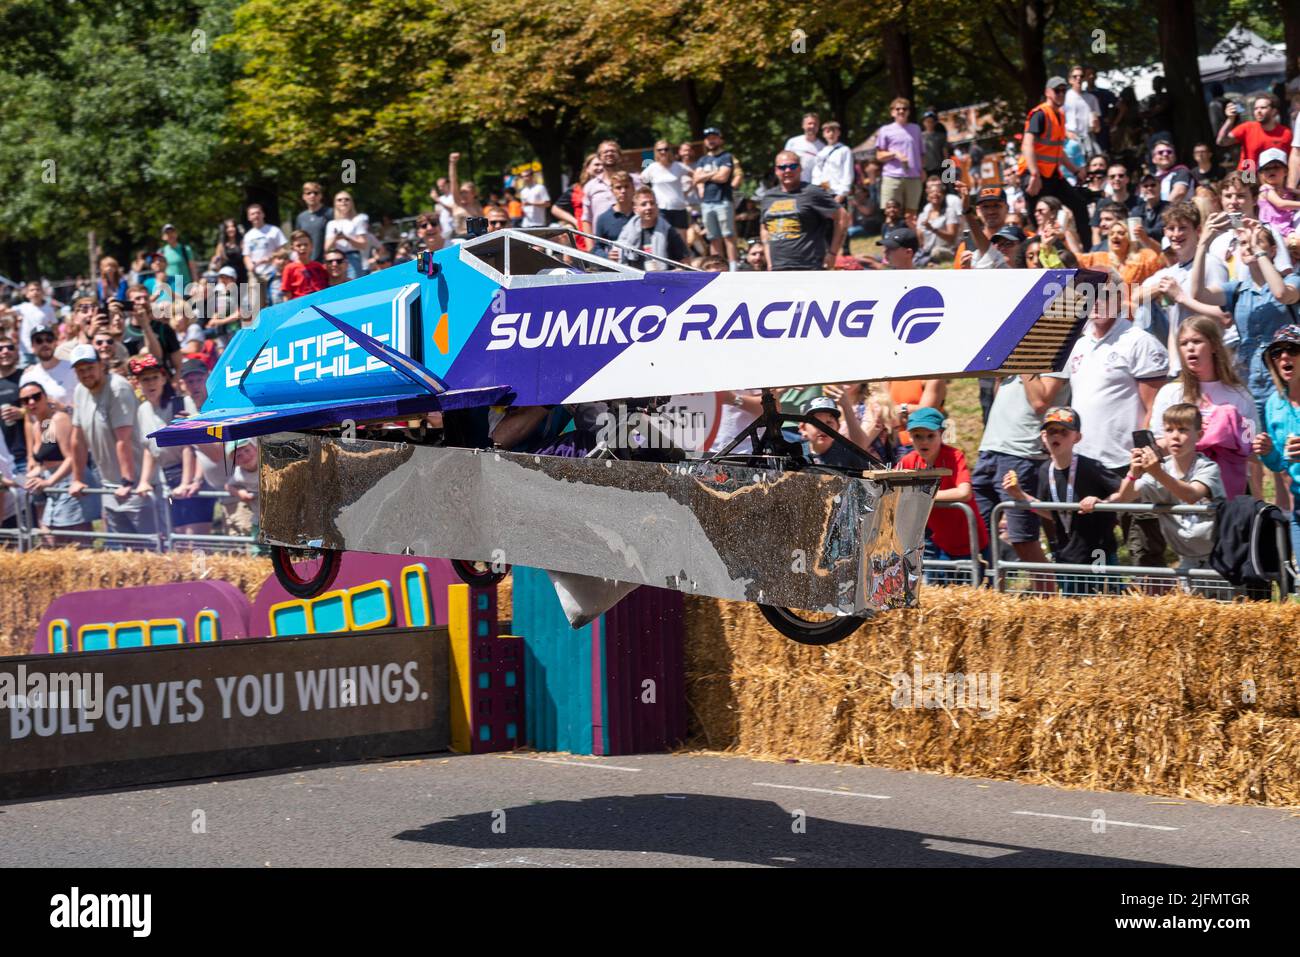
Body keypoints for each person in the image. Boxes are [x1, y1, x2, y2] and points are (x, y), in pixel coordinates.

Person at [1066, 281, 1170, 568]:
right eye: (1089, 296)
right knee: (1090, 549)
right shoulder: (1079, 343)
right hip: (1086, 463)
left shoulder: (1139, 341)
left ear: (1119, 299)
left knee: (1143, 549)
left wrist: (1144, 460)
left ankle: (1151, 605)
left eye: (1104, 296)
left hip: (1127, 463)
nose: (1096, 302)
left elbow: (1154, 408)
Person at [1001, 406, 1122, 595]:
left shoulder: (1090, 466)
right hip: (1066, 553)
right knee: (1071, 606)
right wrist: (1019, 495)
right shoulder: (1044, 471)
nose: (1056, 436)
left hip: (1099, 550)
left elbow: (1121, 492)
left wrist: (1101, 502)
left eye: (1064, 432)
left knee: (1105, 602)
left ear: (1077, 438)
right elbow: (1051, 512)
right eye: (1051, 432)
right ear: (1043, 436)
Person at [971, 371, 1069, 590]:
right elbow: (1000, 397)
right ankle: (990, 601)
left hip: (1022, 454)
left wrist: (1024, 367)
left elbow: (1040, 401)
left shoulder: (1057, 355)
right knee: (980, 535)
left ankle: (1048, 607)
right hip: (990, 448)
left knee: (1022, 539)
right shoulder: (1020, 353)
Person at [1107, 403, 1226, 581]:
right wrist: (1133, 473)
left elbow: (1191, 495)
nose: (1175, 436)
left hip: (1219, 559)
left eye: (1183, 430)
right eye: (1169, 430)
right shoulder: (1161, 469)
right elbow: (1126, 497)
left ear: (1199, 435)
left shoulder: (1208, 467)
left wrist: (1156, 472)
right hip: (1186, 561)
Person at [1150, 316, 1256, 499]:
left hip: (1228, 495)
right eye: (1184, 343)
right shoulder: (1170, 393)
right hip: (1180, 494)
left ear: (1214, 346)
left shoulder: (1239, 395)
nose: (1190, 347)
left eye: (1197, 341)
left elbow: (1252, 452)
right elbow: (1158, 443)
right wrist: (1189, 435)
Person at [67, 345, 157, 540]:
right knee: (121, 553)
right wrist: (77, 478)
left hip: (135, 485)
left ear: (101, 365)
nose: (86, 374)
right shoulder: (80, 391)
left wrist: (127, 482)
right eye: (80, 370)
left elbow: (123, 438)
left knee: (152, 547)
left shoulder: (118, 387)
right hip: (108, 485)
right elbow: (77, 439)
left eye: (90, 367)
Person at [897, 406, 990, 585]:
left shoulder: (954, 456)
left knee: (972, 592)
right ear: (910, 437)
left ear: (941, 434)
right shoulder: (909, 461)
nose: (924, 442)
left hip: (968, 540)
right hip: (937, 542)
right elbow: (894, 490)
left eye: (930, 436)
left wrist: (923, 496)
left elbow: (964, 492)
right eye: (918, 436)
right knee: (937, 590)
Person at [1018, 76, 1090, 252]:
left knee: (1079, 205)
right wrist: (1034, 175)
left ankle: (1088, 250)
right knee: (1039, 219)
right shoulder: (1040, 114)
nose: (1060, 94)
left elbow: (1057, 150)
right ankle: (1035, 258)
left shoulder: (1060, 115)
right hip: (1034, 174)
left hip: (1052, 175)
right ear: (1047, 92)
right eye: (1057, 90)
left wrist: (1075, 170)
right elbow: (1027, 144)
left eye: (1063, 91)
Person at [18, 381, 91, 544]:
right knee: (50, 541)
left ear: (45, 397)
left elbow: (71, 458)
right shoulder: (41, 424)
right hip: (53, 486)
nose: (31, 402)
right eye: (25, 400)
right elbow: (45, 461)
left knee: (78, 543)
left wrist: (48, 481)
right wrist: (20, 480)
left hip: (70, 483)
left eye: (36, 397)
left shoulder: (59, 419)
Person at [1253, 325, 1300, 556]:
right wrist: (1268, 452)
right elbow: (1280, 463)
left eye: (1292, 349)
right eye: (1276, 352)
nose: (1284, 356)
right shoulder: (1274, 404)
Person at [759, 150, 847, 271]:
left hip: (809, 266)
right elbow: (765, 228)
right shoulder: (768, 197)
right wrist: (769, 262)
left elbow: (842, 217)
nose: (788, 170)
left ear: (800, 168)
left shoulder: (812, 192)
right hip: (777, 268)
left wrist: (832, 253)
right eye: (782, 167)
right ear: (776, 170)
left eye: (793, 166)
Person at [875, 98, 924, 229]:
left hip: (913, 177)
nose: (901, 111)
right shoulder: (885, 130)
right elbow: (879, 155)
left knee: (911, 216)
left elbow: (921, 153)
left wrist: (922, 170)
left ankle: (913, 245)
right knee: (891, 214)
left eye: (904, 109)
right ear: (892, 112)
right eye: (898, 109)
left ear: (908, 112)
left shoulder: (916, 129)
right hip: (892, 176)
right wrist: (894, 154)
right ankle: (890, 246)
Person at [692, 128, 738, 269]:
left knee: (728, 236)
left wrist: (705, 175)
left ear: (720, 139)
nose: (711, 140)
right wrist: (714, 173)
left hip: (723, 200)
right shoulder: (702, 159)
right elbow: (696, 178)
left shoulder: (726, 156)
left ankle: (732, 268)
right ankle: (715, 267)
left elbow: (723, 177)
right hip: (706, 202)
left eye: (714, 137)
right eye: (708, 138)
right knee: (713, 238)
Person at [613, 188, 690, 269]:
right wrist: (614, 258)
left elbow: (685, 262)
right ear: (635, 209)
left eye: (652, 203)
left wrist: (676, 272)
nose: (649, 207)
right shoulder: (627, 232)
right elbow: (619, 261)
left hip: (663, 279)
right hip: (635, 279)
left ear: (657, 207)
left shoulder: (668, 231)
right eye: (644, 204)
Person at [1217, 92, 1291, 173]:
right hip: (1248, 178)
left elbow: (1291, 160)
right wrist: (1230, 119)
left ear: (1274, 111)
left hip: (1273, 179)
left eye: (1263, 108)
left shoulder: (1286, 133)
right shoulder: (1247, 127)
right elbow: (1221, 141)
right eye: (1256, 108)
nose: (1258, 111)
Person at [798, 396, 875, 470]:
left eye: (829, 422)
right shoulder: (795, 453)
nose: (823, 428)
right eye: (816, 423)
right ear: (803, 428)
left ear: (838, 427)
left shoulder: (849, 455)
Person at [641, 140, 692, 240]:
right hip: (661, 209)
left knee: (682, 242)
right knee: (663, 241)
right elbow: (641, 181)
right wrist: (649, 197)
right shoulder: (652, 167)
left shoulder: (678, 166)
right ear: (656, 151)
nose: (663, 152)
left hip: (679, 208)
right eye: (660, 150)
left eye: (666, 149)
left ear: (670, 151)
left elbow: (695, 175)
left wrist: (688, 190)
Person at [19, 326, 76, 407]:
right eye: (39, 341)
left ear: (55, 343)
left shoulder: (72, 369)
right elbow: (27, 412)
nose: (44, 344)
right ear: (32, 347)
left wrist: (64, 408)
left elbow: (84, 402)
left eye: (49, 339)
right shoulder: (27, 377)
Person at [242, 203, 285, 305]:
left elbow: (283, 250)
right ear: (249, 217)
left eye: (258, 213)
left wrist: (271, 257)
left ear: (263, 214)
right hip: (255, 274)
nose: (256, 215)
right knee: (256, 306)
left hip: (273, 272)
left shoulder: (274, 230)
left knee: (276, 302)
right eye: (252, 214)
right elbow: (246, 255)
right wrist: (250, 266)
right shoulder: (248, 235)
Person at [324, 191, 372, 280]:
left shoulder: (358, 220)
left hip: (352, 258)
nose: (343, 202)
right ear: (335, 203)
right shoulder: (331, 223)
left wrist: (347, 238)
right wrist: (335, 238)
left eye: (347, 199)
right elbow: (327, 248)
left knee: (354, 288)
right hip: (335, 260)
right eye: (339, 200)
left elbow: (364, 244)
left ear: (351, 203)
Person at [1255, 148, 1300, 238]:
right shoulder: (1266, 189)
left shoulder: (1288, 191)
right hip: (1269, 231)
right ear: (1261, 173)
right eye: (1267, 168)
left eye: (1276, 167)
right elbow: (1280, 204)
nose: (1271, 171)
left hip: (1287, 230)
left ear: (1285, 171)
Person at [915, 177, 960, 267]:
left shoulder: (949, 212)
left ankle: (929, 262)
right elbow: (920, 240)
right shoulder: (923, 215)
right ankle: (928, 262)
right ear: (928, 196)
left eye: (939, 192)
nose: (935, 194)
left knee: (936, 252)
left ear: (943, 195)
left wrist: (933, 229)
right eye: (932, 192)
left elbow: (952, 238)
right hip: (927, 251)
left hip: (945, 250)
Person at [14, 280, 56, 366]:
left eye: (37, 289)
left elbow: (55, 328)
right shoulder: (23, 307)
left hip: (42, 350)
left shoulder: (49, 309)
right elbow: (6, 311)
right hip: (25, 350)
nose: (35, 292)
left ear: (42, 292)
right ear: (27, 294)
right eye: (32, 290)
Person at [813, 121, 855, 203]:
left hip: (837, 193)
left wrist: (842, 193)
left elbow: (848, 173)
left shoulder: (844, 150)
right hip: (823, 192)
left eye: (833, 131)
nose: (831, 134)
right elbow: (817, 172)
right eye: (828, 131)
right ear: (823, 134)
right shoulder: (821, 152)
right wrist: (816, 189)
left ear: (838, 133)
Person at [280, 230, 329, 301]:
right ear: (293, 248)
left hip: (320, 303)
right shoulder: (289, 268)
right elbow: (287, 294)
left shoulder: (319, 266)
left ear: (311, 246)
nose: (302, 248)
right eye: (298, 245)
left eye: (306, 245)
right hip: (300, 306)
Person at [594, 172, 636, 252]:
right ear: (612, 191)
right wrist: (607, 257)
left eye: (626, 187)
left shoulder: (640, 215)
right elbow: (597, 248)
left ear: (633, 189)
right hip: (615, 263)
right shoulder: (603, 219)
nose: (623, 191)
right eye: (618, 187)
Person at [295, 181, 333, 262]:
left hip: (327, 262)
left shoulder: (330, 213)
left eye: (316, 193)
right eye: (308, 193)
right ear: (303, 196)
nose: (312, 195)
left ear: (321, 196)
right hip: (307, 263)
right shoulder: (301, 217)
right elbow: (297, 240)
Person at [783, 112, 825, 182]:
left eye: (815, 124)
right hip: (792, 184)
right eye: (809, 123)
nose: (812, 126)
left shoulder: (823, 148)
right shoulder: (792, 142)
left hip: (811, 187)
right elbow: (783, 164)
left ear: (818, 127)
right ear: (803, 125)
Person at [158, 224, 200, 291]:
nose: (170, 235)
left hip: (186, 287)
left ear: (176, 234)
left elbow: (193, 268)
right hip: (170, 288)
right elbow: (159, 271)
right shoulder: (161, 252)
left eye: (172, 232)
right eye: (167, 233)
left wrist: (195, 283)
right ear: (163, 237)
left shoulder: (185, 249)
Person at [211, 219, 248, 285]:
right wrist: (215, 260)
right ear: (225, 230)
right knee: (228, 295)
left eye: (232, 226)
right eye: (228, 227)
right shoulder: (221, 244)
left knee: (244, 294)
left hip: (242, 275)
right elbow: (218, 259)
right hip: (227, 277)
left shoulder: (242, 242)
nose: (231, 229)